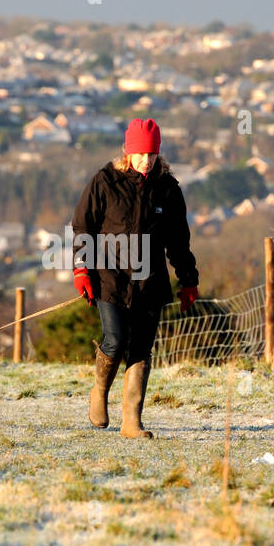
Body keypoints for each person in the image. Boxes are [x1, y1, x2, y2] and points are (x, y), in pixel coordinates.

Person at [71, 117, 199, 438]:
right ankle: (100, 391)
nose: (146, 161)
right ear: (128, 151)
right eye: (141, 154)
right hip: (109, 277)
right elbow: (83, 227)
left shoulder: (168, 189)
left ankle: (132, 421)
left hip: (149, 281)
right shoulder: (104, 182)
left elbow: (178, 241)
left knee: (141, 347)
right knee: (115, 341)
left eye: (152, 155)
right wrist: (81, 269)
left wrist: (188, 280)